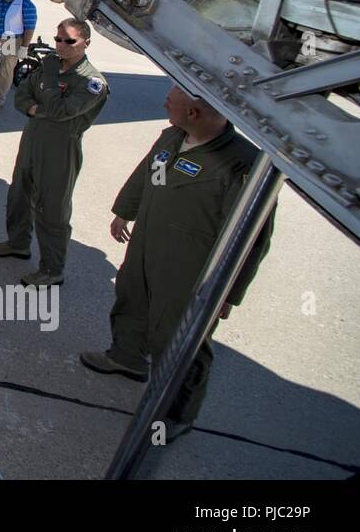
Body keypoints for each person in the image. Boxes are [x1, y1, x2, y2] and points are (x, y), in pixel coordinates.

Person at [79, 86, 276, 438]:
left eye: (171, 102)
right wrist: (126, 211)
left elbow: (251, 239)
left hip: (189, 266)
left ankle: (176, 414)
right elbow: (149, 174)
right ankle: (126, 356)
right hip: (146, 244)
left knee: (182, 338)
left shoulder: (243, 165)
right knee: (132, 301)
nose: (164, 104)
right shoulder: (174, 136)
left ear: (194, 113)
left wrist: (229, 293)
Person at [0, 18, 109, 286]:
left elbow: (60, 111)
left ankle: (52, 269)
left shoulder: (91, 81)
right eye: (58, 39)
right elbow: (21, 96)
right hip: (33, 140)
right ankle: (17, 243)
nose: (61, 46)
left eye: (69, 41)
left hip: (60, 149)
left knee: (52, 210)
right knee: (19, 193)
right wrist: (36, 109)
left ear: (86, 43)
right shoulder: (49, 68)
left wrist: (49, 86)